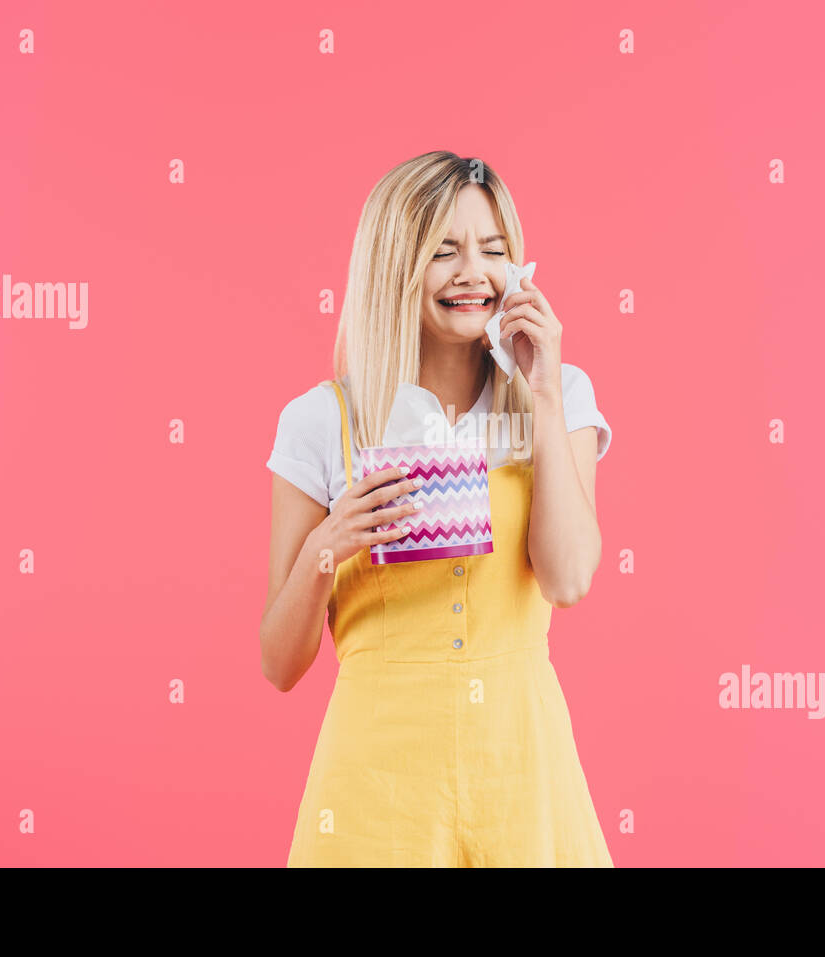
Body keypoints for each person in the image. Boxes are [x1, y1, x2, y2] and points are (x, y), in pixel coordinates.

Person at [262, 150, 614, 866]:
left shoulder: (561, 395)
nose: (473, 273)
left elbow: (569, 579)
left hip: (521, 770)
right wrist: (331, 541)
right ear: (396, 264)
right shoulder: (319, 420)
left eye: (493, 250)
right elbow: (279, 661)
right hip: (374, 788)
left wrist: (541, 391)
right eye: (443, 252)